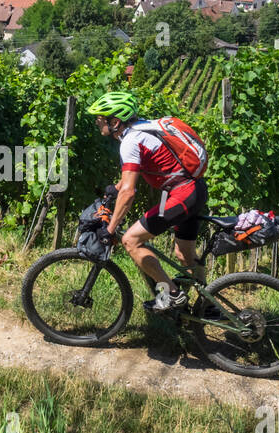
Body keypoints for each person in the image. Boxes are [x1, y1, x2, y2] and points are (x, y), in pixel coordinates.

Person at [85, 91, 208, 311]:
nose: (97, 122)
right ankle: (207, 303)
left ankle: (172, 295)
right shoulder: (143, 127)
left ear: (115, 121)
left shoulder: (130, 141)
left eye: (101, 118)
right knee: (184, 254)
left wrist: (110, 229)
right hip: (193, 190)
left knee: (130, 240)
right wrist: (115, 188)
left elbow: (129, 192)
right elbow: (128, 181)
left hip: (181, 195)